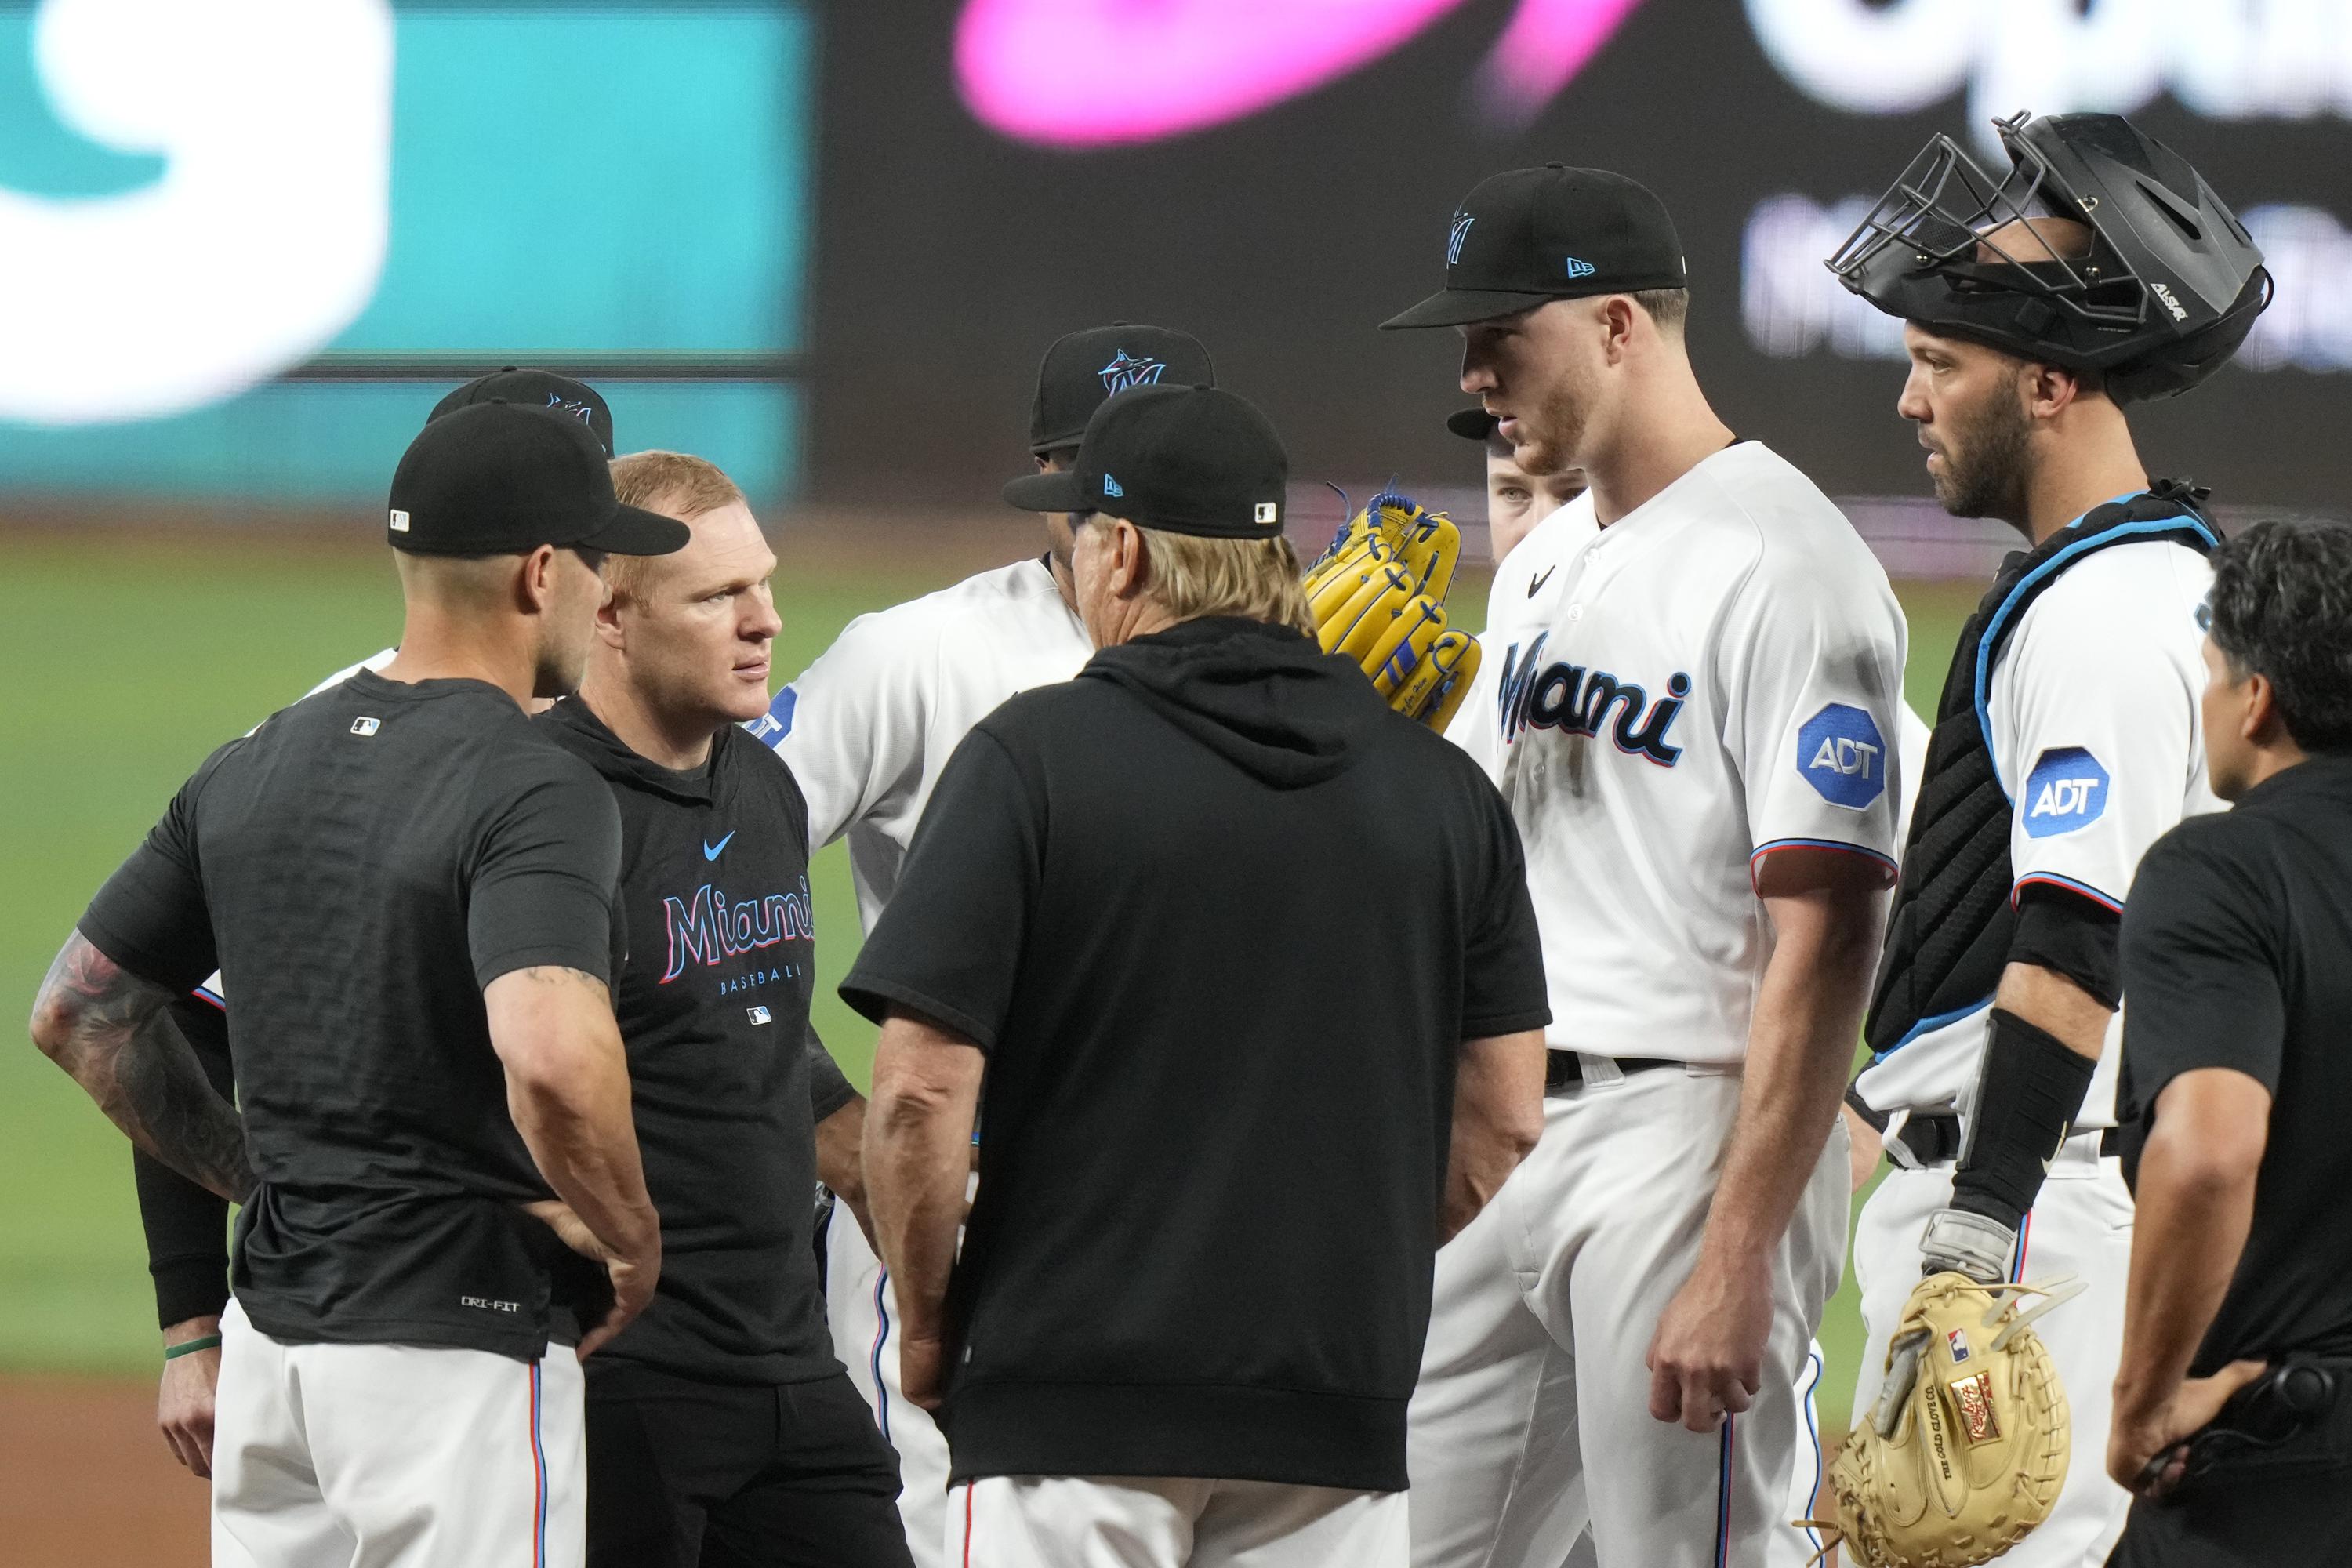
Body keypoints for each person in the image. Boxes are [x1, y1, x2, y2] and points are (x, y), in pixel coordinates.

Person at [125, 372, 874, 1486]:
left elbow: (701, 992)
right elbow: (188, 1024)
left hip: (674, 1338)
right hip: (449, 1318)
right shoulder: (364, 751)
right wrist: (195, 1314)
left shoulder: (676, 755)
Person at [849, 382, 1551, 1568]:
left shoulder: (1031, 759)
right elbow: (1505, 1116)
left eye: (1076, 538)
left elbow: (919, 1095)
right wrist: (1330, 1267)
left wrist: (925, 1326)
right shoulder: (1440, 794)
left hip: (1066, 1408)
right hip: (1335, 1415)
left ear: (1121, 552)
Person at [30, 401, 689, 1567]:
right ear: (543, 572)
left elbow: (78, 1016)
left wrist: (261, 1179)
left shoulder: (252, 762)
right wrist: (628, 1234)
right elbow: (549, 1048)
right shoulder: (534, 782)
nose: (606, 592)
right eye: (598, 560)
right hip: (454, 1352)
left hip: (277, 1359)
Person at [1377, 163, 1907, 1568]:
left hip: (1685, 1144)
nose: (1474, 366)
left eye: (1504, 331)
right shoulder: (1548, 566)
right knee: (1410, 1543)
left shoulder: (1790, 569)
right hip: (1511, 1134)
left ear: (1618, 324)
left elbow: (1831, 936)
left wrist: (1739, 1254)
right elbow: (1478, 850)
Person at [1826, 111, 2271, 1568]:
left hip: (2042, 1216)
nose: (1911, 401)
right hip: (2036, 1191)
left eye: (1936, 364)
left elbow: (2078, 943)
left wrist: (1978, 1240)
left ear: (2052, 378)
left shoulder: (2105, 616)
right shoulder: (2123, 584)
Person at [754, 321, 1215, 1566]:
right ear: (1050, 493)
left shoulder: (1295, 670)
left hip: (1218, 1199)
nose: (1121, 522)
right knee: (949, 1532)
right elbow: (688, 857)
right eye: (1090, 483)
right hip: (968, 1191)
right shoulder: (918, 657)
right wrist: (818, 1104)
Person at [535, 450, 914, 1567]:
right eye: (717, 597)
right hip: (625, 1382)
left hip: (791, 1364)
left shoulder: (762, 787)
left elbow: (756, 1030)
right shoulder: (543, 810)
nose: (765, 621)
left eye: (764, 584)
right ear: (611, 614)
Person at [2103, 517, 2352, 1566]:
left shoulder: (2223, 870)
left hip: (2285, 1472)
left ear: (2256, 700)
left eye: (2212, 672)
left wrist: (2144, 1405)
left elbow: (2208, 1152)